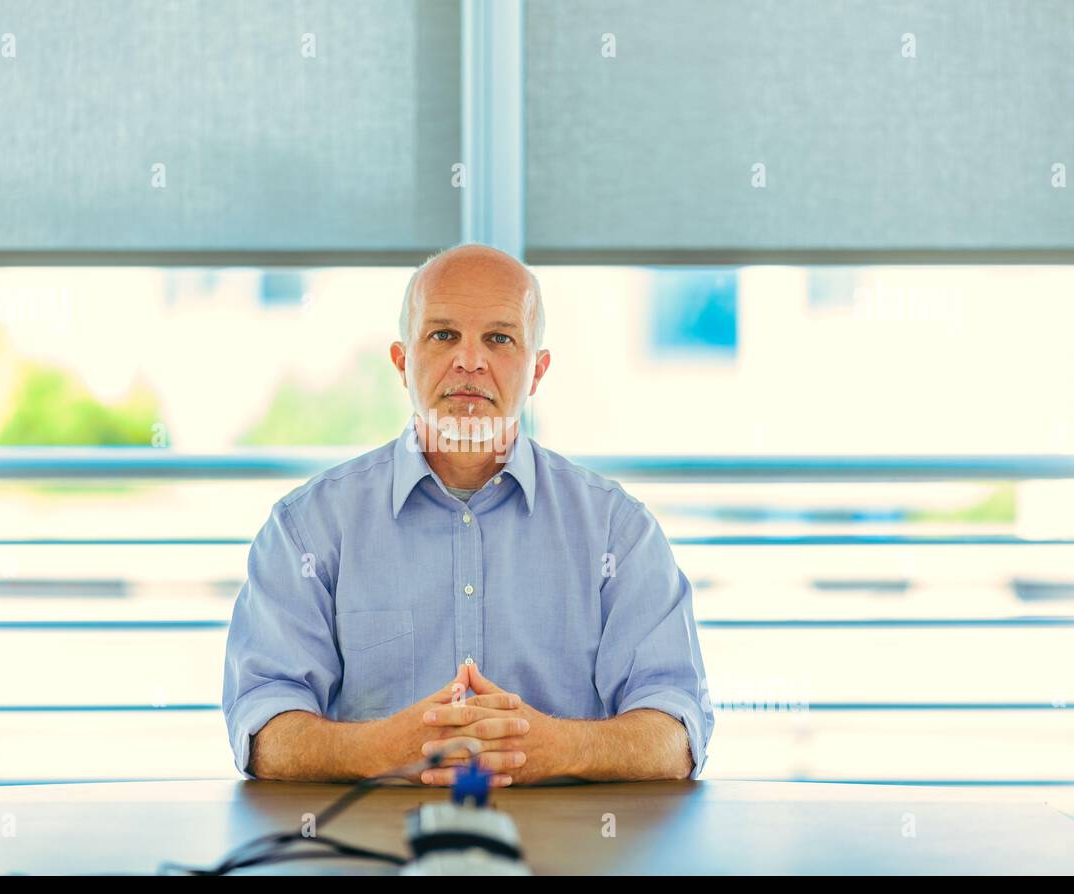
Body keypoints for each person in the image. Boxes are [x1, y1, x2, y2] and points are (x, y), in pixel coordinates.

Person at [222, 243, 713, 786]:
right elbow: (262, 730)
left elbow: (677, 733)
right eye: (443, 335)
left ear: (538, 369)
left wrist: (558, 746)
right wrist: (383, 749)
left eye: (499, 339)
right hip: (366, 854)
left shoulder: (619, 532)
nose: (470, 361)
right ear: (402, 361)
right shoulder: (306, 529)